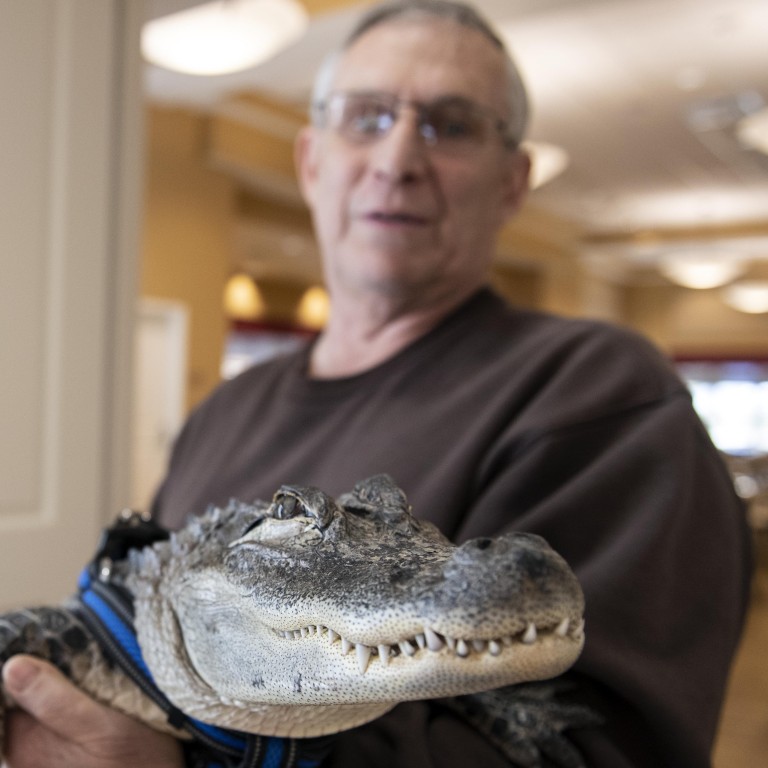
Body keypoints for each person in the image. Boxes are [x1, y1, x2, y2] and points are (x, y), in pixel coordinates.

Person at [3, 1, 752, 766]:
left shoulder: (601, 391)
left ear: (513, 182)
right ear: (311, 160)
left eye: (449, 125)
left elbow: (599, 752)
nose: (397, 159)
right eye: (365, 117)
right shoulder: (226, 408)